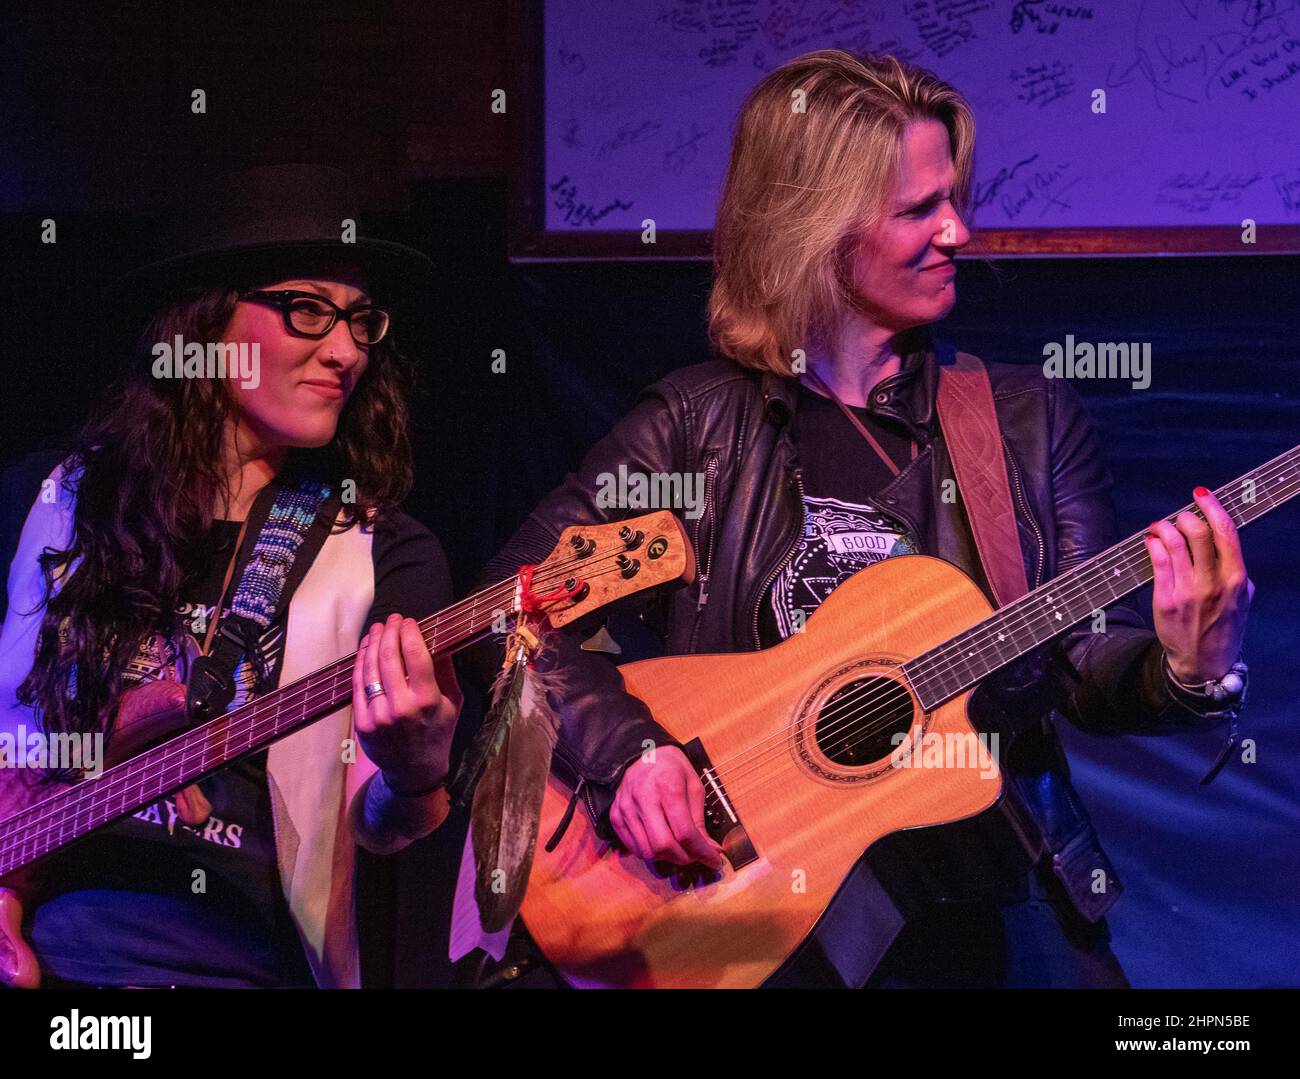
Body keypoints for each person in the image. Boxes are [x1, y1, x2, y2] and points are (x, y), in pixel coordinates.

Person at [469, 51, 1254, 988]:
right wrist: (631, 755)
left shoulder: (1023, 424)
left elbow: (1090, 662)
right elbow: (508, 606)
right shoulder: (695, 429)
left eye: (954, 198)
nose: (958, 230)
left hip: (994, 903)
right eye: (920, 209)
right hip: (763, 915)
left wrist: (1186, 671)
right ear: (815, 228)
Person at [0, 164, 461, 989]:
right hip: (48, 957)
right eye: (308, 310)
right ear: (204, 324)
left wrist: (417, 769)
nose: (347, 349)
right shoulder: (54, 498)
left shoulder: (384, 552)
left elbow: (390, 828)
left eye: (360, 320)